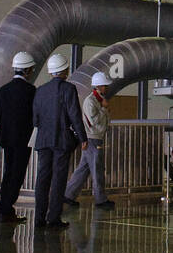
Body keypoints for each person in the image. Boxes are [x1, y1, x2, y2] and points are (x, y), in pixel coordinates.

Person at [31, 52, 85, 230]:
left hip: (43, 140)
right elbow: (75, 115)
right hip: (61, 141)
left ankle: (39, 218)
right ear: (65, 70)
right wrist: (82, 137)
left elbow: (35, 119)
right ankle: (53, 218)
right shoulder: (69, 89)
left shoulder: (40, 90)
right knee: (58, 180)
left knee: (42, 179)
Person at [0, 51, 38, 224]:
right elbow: (34, 116)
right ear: (27, 70)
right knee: (17, 175)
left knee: (8, 172)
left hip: (7, 139)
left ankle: (5, 206)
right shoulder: (31, 91)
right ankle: (6, 207)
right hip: (23, 140)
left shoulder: (3, 90)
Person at [63, 72, 115, 212]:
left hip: (96, 137)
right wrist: (104, 108)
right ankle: (100, 199)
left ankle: (68, 195)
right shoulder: (91, 101)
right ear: (98, 86)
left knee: (83, 170)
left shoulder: (99, 99)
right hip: (93, 138)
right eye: (105, 85)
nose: (106, 87)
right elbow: (91, 121)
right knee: (97, 169)